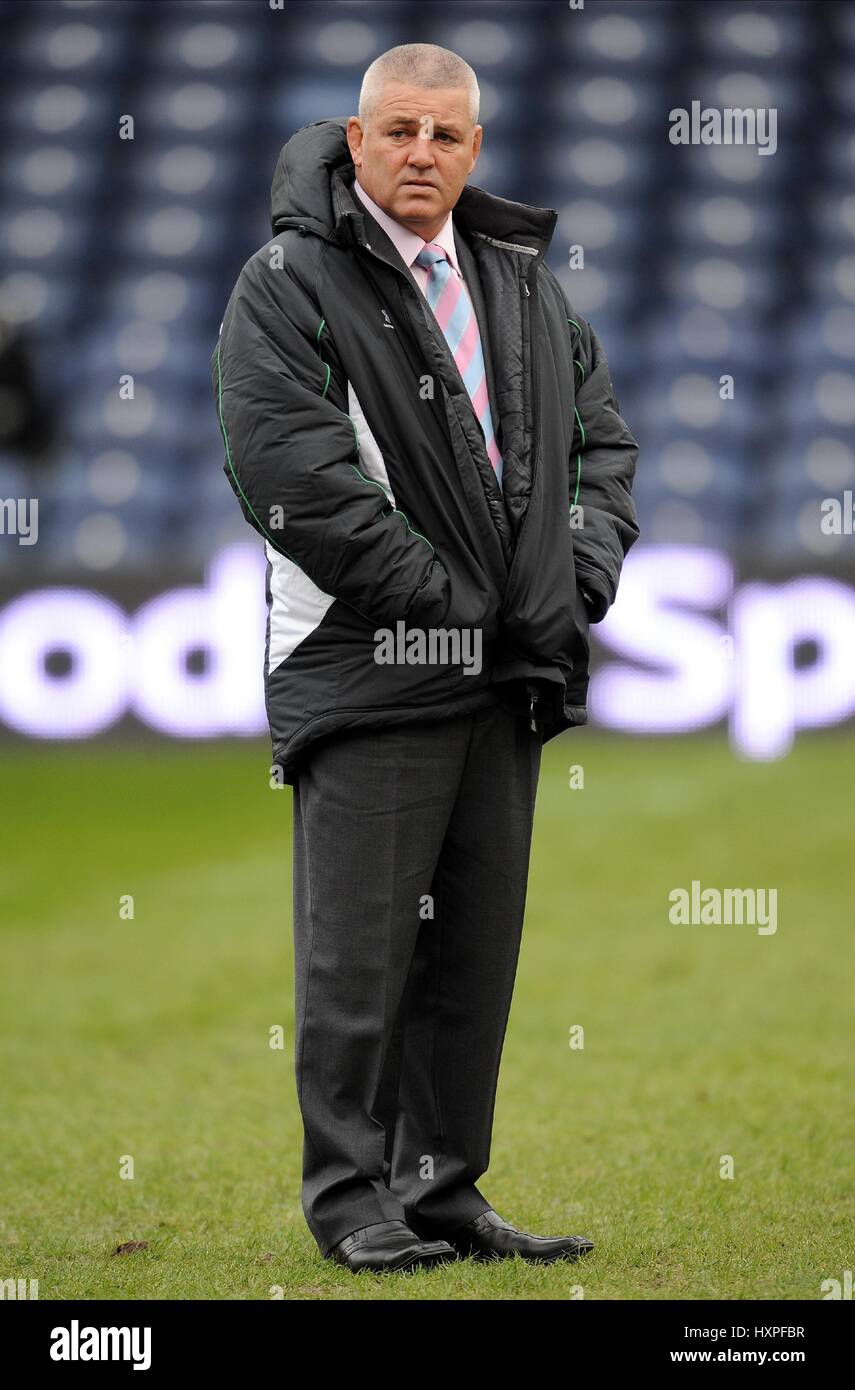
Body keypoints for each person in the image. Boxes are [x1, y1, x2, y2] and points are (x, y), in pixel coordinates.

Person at [213, 43, 639, 1274]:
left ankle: (443, 1191)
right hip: (368, 662)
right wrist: (456, 606)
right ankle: (350, 1197)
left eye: (445, 137)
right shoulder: (286, 281)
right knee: (362, 954)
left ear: (475, 151)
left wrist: (573, 580)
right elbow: (294, 476)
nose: (421, 154)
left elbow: (602, 450)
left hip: (505, 672)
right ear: (355, 142)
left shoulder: (523, 284)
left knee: (471, 957)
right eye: (397, 131)